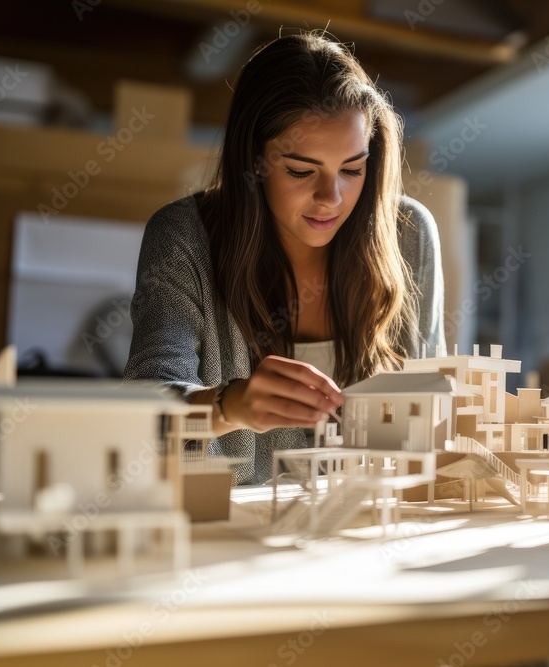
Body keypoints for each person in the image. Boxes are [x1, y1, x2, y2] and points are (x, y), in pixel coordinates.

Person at [124, 31, 445, 484]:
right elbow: (142, 414)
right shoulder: (183, 237)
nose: (330, 198)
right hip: (227, 535)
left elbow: (436, 404)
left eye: (352, 169)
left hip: (368, 531)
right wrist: (227, 406)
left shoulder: (408, 236)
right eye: (300, 170)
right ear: (255, 159)